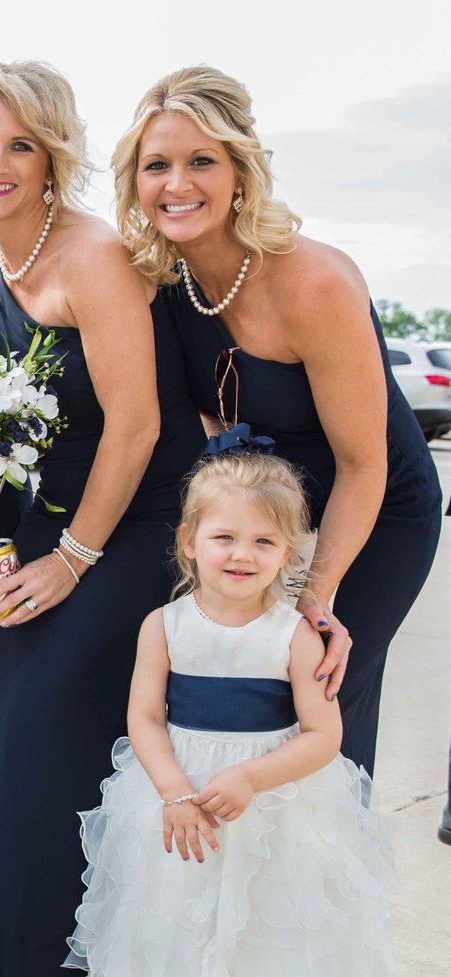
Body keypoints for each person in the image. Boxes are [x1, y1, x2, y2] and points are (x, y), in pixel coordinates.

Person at [0, 61, 204, 977]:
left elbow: (134, 426)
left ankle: (66, 976)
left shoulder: (91, 254)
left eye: (21, 144)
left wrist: (73, 560)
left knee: (47, 708)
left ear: (56, 156)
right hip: (53, 520)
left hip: (137, 524)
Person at [113, 65, 442, 778]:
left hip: (377, 509)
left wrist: (311, 596)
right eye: (156, 165)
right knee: (241, 707)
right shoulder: (167, 280)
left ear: (241, 171)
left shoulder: (312, 284)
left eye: (202, 161)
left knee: (318, 702)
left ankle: (322, 885)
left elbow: (365, 465)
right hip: (269, 514)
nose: (178, 184)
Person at [66, 450, 409, 977]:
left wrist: (252, 777)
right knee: (181, 908)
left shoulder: (295, 636)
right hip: (180, 793)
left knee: (274, 916)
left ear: (290, 554)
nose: (242, 553)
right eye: (224, 536)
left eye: (263, 541)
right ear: (190, 543)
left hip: (276, 800)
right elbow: (143, 715)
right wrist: (171, 789)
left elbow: (323, 735)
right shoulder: (164, 627)